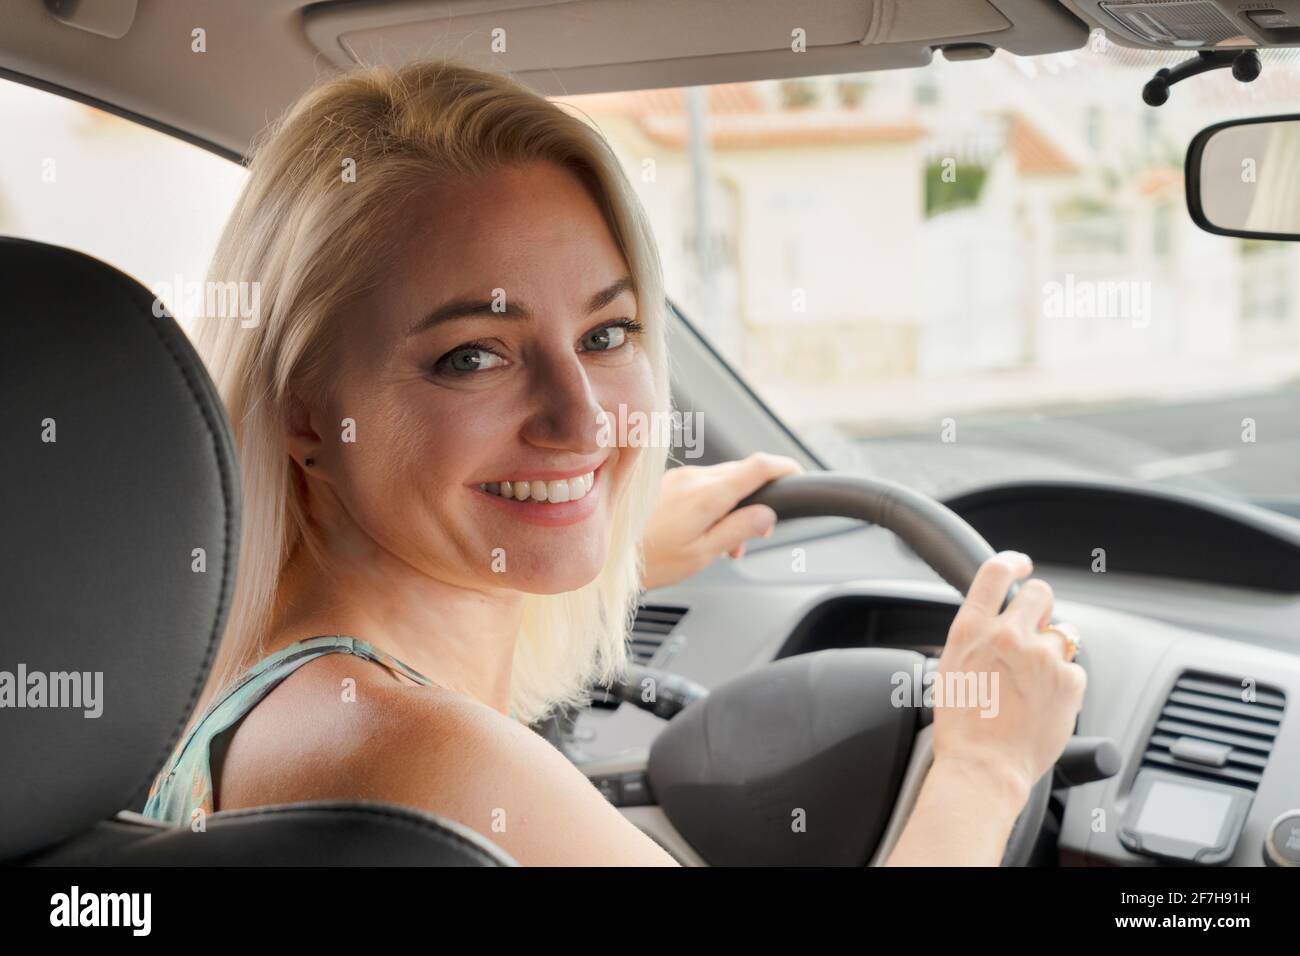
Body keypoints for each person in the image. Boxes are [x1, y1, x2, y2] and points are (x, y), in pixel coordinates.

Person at [142, 60, 1084, 866]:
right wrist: (984, 764)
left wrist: (617, 538)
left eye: (608, 331)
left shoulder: (228, 661)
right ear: (306, 415)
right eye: (475, 355)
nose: (583, 422)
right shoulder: (412, 757)